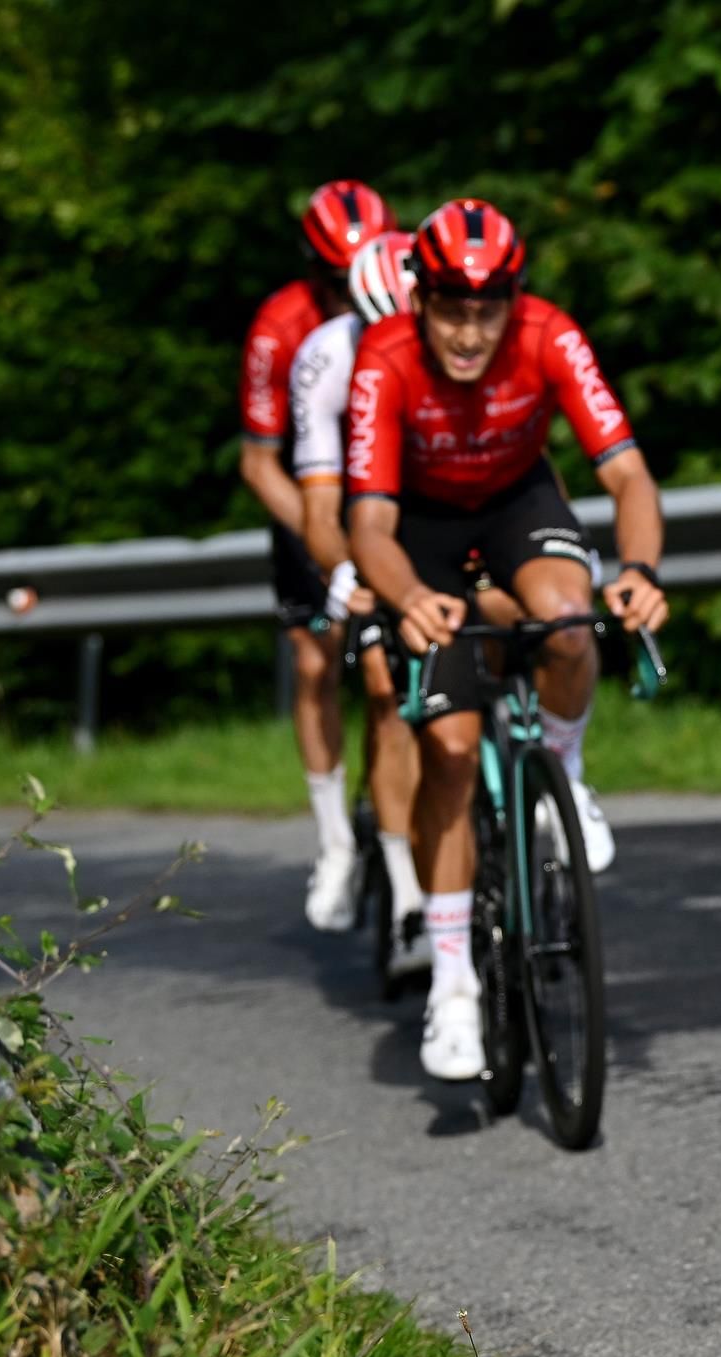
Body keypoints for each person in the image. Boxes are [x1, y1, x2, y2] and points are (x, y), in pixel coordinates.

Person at [345, 199, 669, 1081]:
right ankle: (452, 983)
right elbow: (366, 521)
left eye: (488, 309)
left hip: (519, 500)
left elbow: (628, 471)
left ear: (515, 300)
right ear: (421, 298)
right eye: (451, 307)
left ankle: (561, 769)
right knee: (448, 749)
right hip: (418, 530)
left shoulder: (551, 335)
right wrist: (407, 596)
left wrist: (637, 570)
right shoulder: (384, 359)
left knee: (569, 620)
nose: (468, 331)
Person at [241, 179, 392, 932]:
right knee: (315, 659)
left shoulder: (403, 301)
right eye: (334, 281)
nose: (349, 293)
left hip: (388, 489)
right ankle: (335, 839)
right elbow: (259, 462)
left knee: (387, 670)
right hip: (310, 496)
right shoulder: (282, 326)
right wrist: (322, 532)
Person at [289, 230, 429, 982]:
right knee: (384, 683)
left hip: (436, 501)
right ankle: (406, 889)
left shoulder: (458, 346)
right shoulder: (326, 360)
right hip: (358, 509)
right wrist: (344, 575)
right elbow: (321, 503)